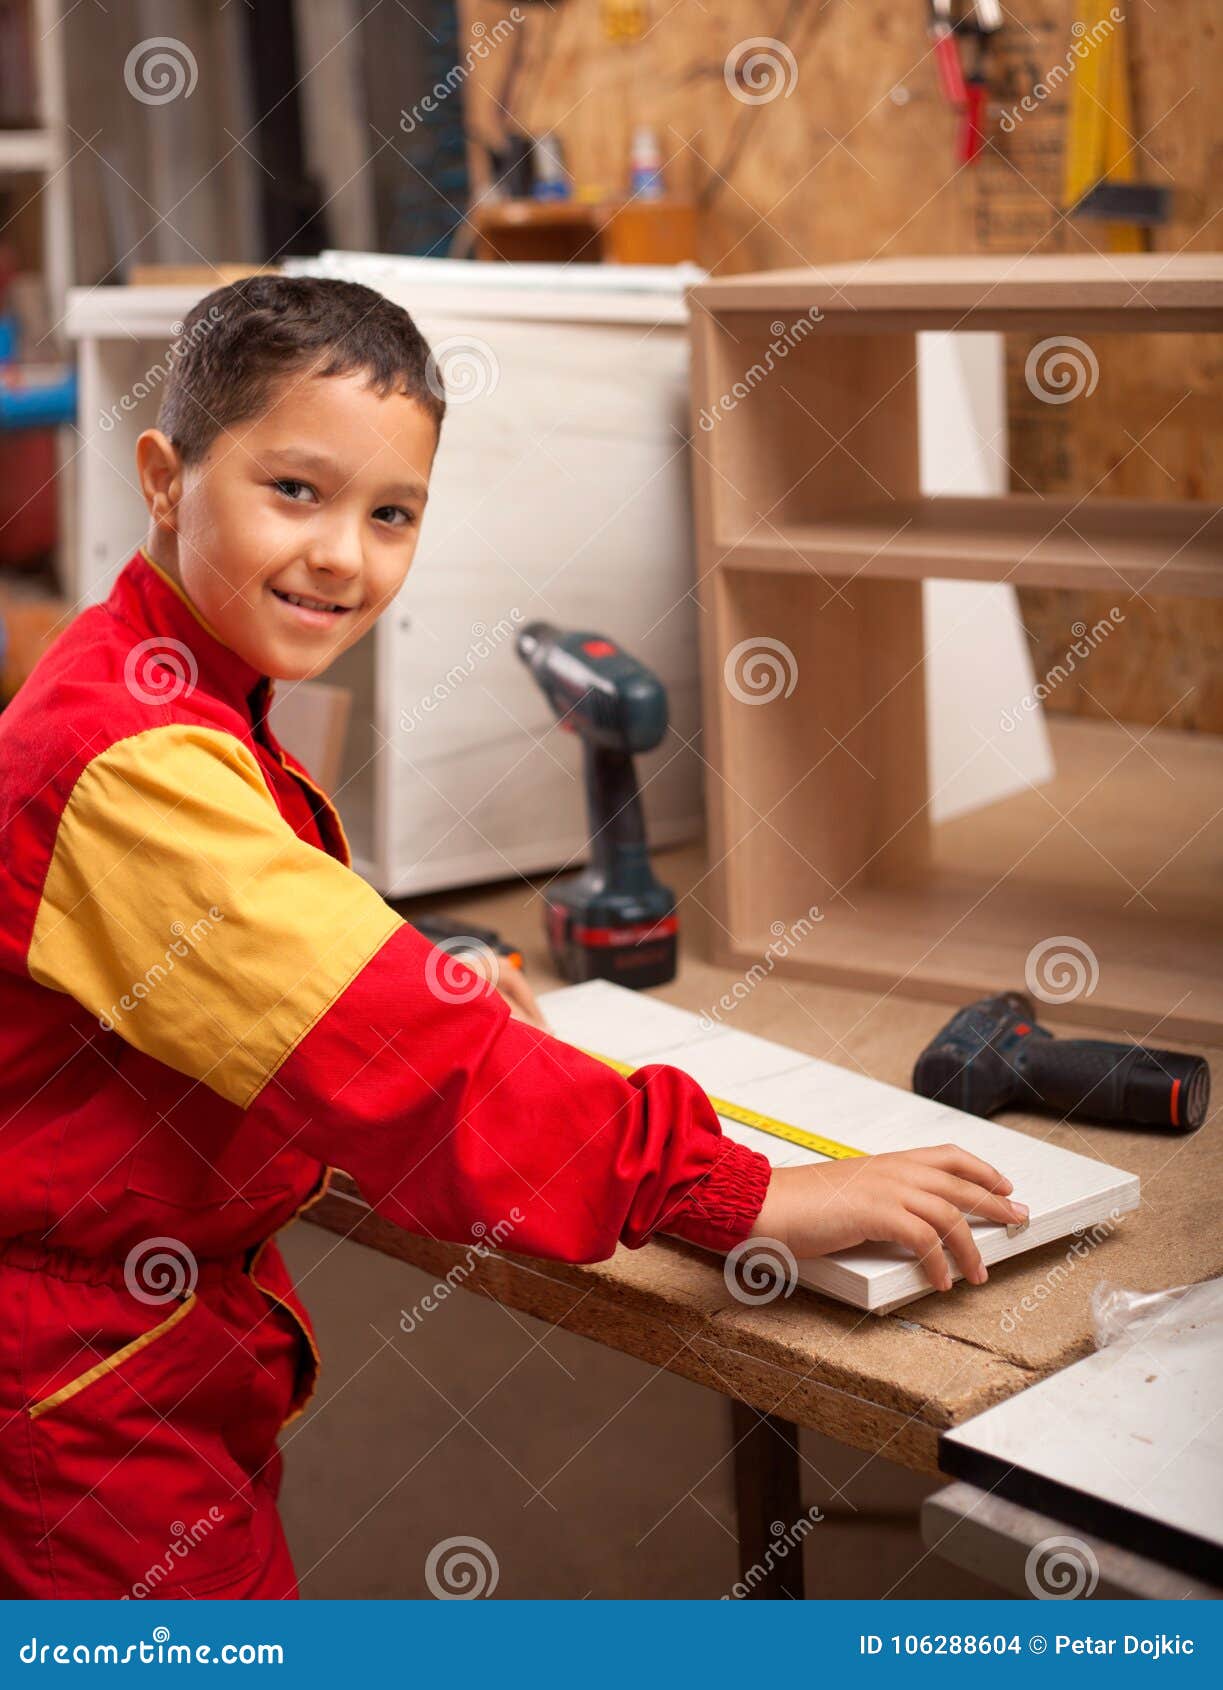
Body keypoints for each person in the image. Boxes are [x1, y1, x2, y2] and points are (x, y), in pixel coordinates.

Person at [0, 276, 1025, 1599]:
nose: (342, 556)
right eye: (293, 492)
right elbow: (392, 1049)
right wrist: (734, 1188)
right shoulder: (125, 751)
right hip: (82, 1374)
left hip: (156, 1328)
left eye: (392, 514)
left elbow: (268, 940)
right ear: (164, 476)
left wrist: (421, 974)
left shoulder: (167, 676)